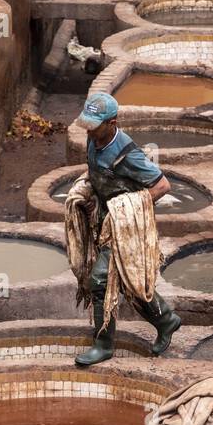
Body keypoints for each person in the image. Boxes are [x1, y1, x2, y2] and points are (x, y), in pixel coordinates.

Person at [70, 92, 181, 366]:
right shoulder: (94, 138)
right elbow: (95, 174)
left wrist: (127, 207)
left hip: (125, 225)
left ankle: (103, 345)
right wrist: (86, 194)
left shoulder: (128, 154)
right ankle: (166, 319)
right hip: (104, 219)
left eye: (95, 124)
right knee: (128, 282)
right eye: (88, 124)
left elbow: (163, 186)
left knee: (100, 279)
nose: (89, 129)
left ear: (112, 122)